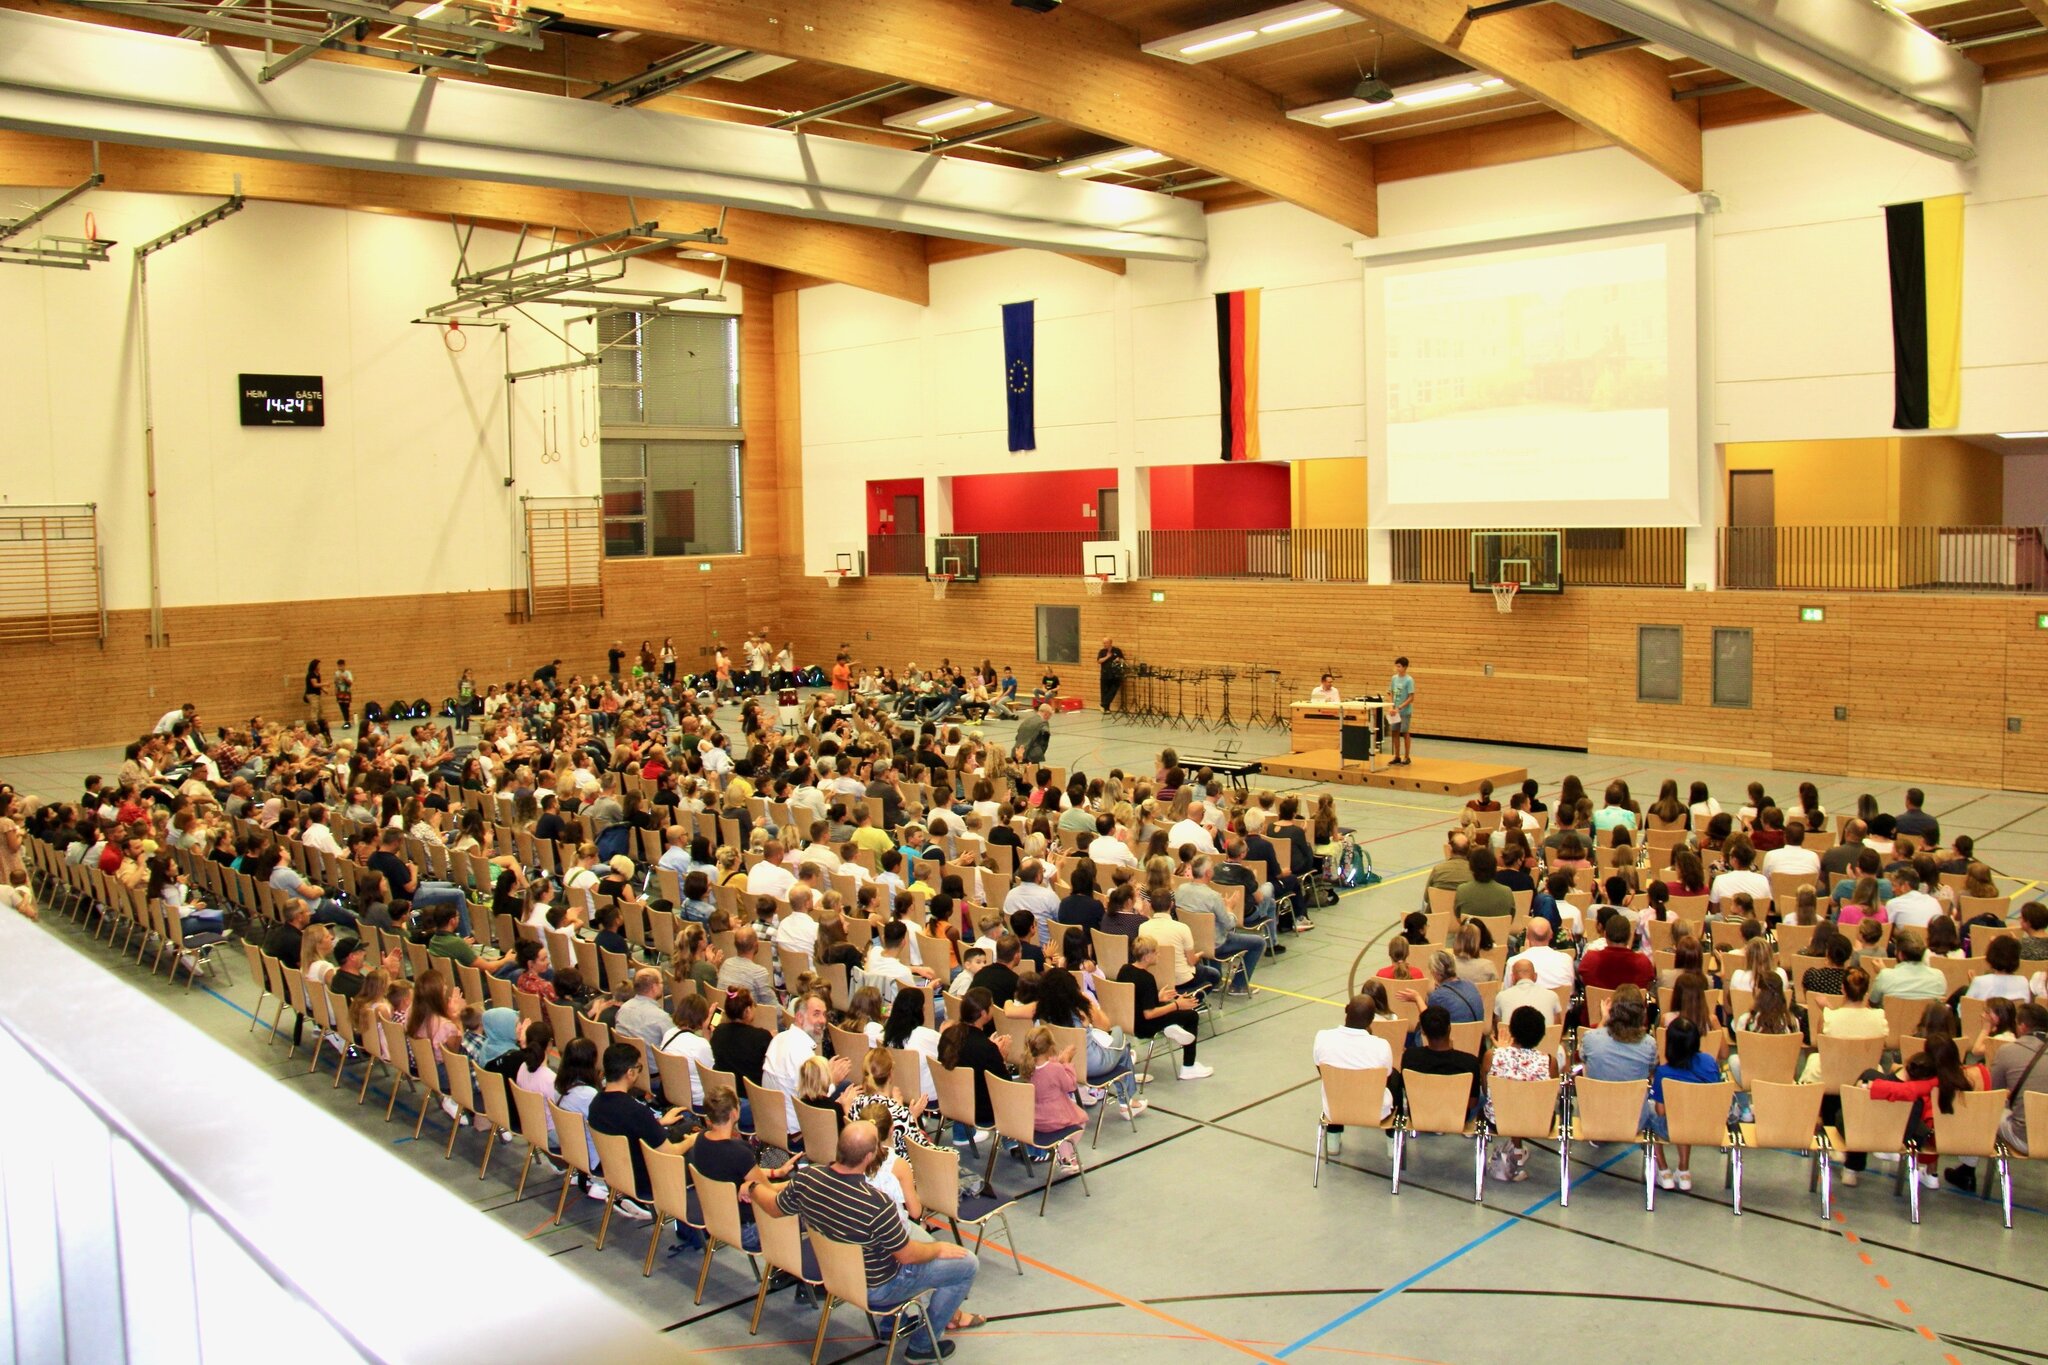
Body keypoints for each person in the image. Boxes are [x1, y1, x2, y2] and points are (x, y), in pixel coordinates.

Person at [747, 1121, 979, 1362]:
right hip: (877, 1288)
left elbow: (774, 1207)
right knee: (967, 1265)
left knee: (891, 1245)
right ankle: (922, 1346)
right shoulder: (878, 1204)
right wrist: (937, 1248)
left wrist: (752, 1187)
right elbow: (908, 1256)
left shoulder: (808, 1178)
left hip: (835, 1275)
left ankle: (892, 1325)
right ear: (869, 1157)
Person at [586, 1042, 689, 1221]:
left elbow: (626, 1127)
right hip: (646, 1178)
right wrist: (694, 1140)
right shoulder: (636, 1111)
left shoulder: (596, 1104)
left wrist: (658, 1123)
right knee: (694, 1141)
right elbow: (670, 1153)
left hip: (617, 1172)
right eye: (638, 1068)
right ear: (630, 1072)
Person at [1312, 992, 1394, 1156]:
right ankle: (1393, 1143)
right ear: (1372, 1019)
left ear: (1346, 1009)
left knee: (1337, 1084)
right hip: (1374, 1111)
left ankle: (1333, 1140)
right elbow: (1386, 1077)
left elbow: (1322, 1072)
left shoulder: (1322, 1038)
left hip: (1335, 1109)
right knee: (1396, 1077)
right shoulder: (1381, 1046)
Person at [1117, 937, 1208, 1080]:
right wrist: (1177, 1005)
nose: (1158, 955)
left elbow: (1132, 998)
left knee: (1166, 1007)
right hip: (1142, 1027)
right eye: (1156, 952)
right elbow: (1149, 1014)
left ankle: (1170, 1027)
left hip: (1126, 1020)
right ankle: (1188, 1066)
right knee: (1191, 1016)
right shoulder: (1147, 978)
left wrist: (1157, 998)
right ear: (1147, 957)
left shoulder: (1125, 969)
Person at [1649, 1017, 1722, 1192]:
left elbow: (1660, 1111)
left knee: (1648, 1110)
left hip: (1676, 1126)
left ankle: (1664, 1171)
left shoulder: (1663, 1072)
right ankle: (1683, 1171)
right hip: (1709, 1126)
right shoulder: (1710, 1062)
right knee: (1687, 1113)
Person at [1487, 1006, 1556, 1182]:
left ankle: (1515, 1152)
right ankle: (1516, 1151)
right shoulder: (1549, 1062)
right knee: (1524, 1104)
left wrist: (1501, 1051)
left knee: (1508, 1103)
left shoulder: (1492, 1056)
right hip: (1537, 1121)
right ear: (1541, 1034)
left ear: (1511, 1030)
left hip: (1498, 1120)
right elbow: (1551, 1097)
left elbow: (1486, 1089)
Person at [1989, 1004, 2048, 1156]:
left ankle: (1969, 1167)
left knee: (1983, 1109)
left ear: (2022, 1027)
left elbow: (1993, 1093)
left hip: (2025, 1138)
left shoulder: (2007, 1051)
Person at [1578, 985, 1656, 1082]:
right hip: (1633, 1092)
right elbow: (1651, 1070)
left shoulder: (1590, 1038)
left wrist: (1604, 1020)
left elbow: (1584, 1056)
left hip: (1596, 1092)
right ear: (1642, 1013)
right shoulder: (1650, 1044)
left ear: (1612, 1012)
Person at [711, 989, 773, 1085]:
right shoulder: (762, 1037)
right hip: (750, 1093)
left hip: (724, 1089)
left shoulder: (718, 1031)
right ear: (747, 1010)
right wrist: (775, 1041)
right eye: (754, 1005)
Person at [1869, 928, 1945, 1005]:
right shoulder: (1939, 977)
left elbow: (1873, 1002)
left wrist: (1883, 973)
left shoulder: (1884, 976)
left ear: (1900, 955)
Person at [1507, 918, 1575, 992]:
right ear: (1551, 935)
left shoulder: (1514, 962)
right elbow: (1571, 991)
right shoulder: (1566, 959)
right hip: (1560, 1000)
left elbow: (1507, 994)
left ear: (1527, 936)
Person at [1386, 655, 1414, 766]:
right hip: (1394, 711)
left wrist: (1400, 707)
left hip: (1404, 712)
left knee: (1405, 732)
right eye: (1396, 666)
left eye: (1399, 666)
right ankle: (1397, 756)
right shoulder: (1394, 678)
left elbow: (1411, 697)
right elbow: (1390, 693)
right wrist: (1391, 707)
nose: (1397, 668)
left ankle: (1407, 757)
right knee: (1394, 732)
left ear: (1405, 667)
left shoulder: (1409, 680)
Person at [1096, 637, 1126, 712]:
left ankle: (1103, 704)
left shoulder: (1117, 650)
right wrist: (1107, 657)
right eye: (1103, 643)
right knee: (1104, 691)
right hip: (1105, 674)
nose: (1104, 644)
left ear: (1110, 643)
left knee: (1113, 689)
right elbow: (1099, 661)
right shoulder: (1102, 651)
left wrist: (1119, 660)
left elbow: (1123, 660)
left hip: (1115, 674)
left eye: (1106, 643)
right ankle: (1106, 708)